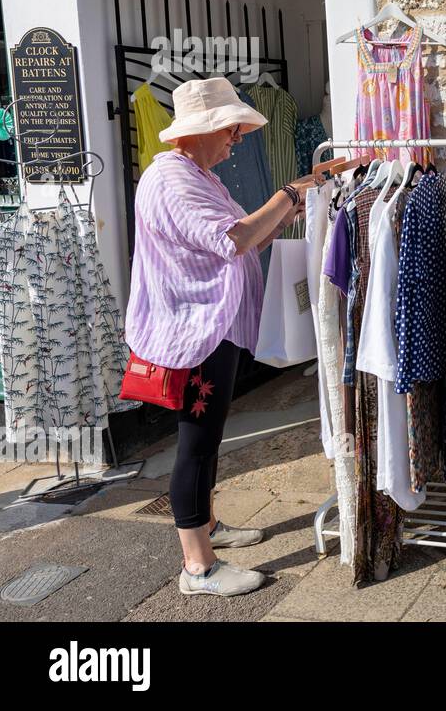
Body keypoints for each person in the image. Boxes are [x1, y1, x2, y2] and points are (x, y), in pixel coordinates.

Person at [125, 78, 322, 597]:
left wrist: (285, 211)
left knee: (207, 440)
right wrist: (288, 195)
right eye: (231, 130)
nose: (237, 139)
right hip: (192, 331)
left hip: (211, 325)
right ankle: (197, 567)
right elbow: (231, 240)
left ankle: (207, 526)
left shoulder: (196, 174)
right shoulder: (173, 180)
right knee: (196, 443)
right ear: (203, 129)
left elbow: (237, 235)